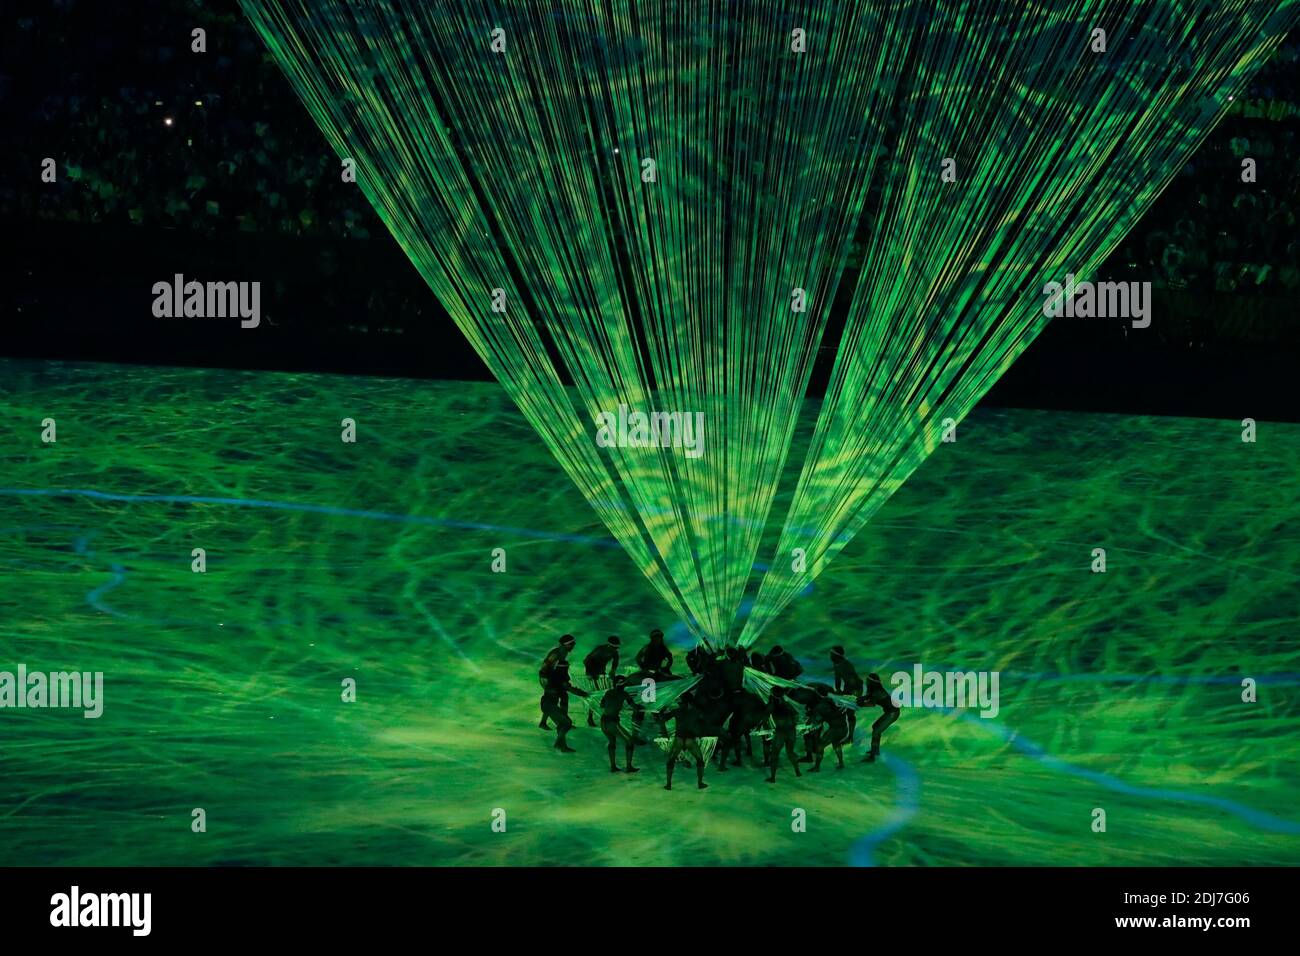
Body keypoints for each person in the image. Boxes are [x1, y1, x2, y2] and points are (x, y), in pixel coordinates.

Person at [540, 654, 589, 753]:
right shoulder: (560, 678)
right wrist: (583, 693)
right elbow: (569, 688)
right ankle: (559, 744)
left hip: (546, 704)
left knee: (562, 724)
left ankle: (562, 745)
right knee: (567, 723)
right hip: (550, 706)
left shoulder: (554, 675)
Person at [663, 690, 709, 791]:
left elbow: (663, 718)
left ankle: (668, 784)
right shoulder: (696, 712)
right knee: (700, 760)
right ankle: (700, 783)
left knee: (671, 761)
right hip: (690, 739)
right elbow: (703, 723)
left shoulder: (677, 711)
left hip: (679, 739)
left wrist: (663, 709)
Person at [856, 672, 900, 762]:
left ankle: (872, 756)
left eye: (867, 681)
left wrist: (861, 704)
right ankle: (874, 750)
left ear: (871, 682)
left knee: (876, 731)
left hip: (892, 713)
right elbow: (868, 697)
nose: (866, 682)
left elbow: (871, 704)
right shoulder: (875, 689)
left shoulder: (877, 691)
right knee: (875, 727)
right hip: (891, 712)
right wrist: (861, 699)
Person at [599, 675, 639, 773]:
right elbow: (634, 706)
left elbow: (602, 705)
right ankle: (629, 767)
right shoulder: (624, 694)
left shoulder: (608, 692)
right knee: (630, 741)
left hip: (603, 722)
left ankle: (613, 766)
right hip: (612, 722)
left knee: (612, 742)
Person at [807, 685, 851, 771]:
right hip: (844, 729)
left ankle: (816, 767)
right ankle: (841, 763)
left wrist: (811, 716)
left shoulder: (821, 706)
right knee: (836, 742)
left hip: (834, 730)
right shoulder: (839, 701)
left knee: (820, 745)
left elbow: (816, 720)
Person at [765, 687, 803, 783]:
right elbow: (796, 715)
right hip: (791, 732)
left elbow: (765, 715)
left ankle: (773, 778)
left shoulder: (773, 705)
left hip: (781, 732)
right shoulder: (788, 704)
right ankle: (797, 772)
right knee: (790, 752)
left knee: (774, 754)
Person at [538, 634, 577, 729]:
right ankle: (558, 722)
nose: (573, 645)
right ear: (565, 644)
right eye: (571, 644)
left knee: (562, 698)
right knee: (552, 700)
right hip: (548, 679)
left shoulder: (563, 652)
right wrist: (547, 682)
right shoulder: (557, 653)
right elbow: (545, 667)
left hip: (553, 679)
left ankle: (562, 720)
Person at [582, 635, 621, 726]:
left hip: (601, 672)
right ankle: (590, 718)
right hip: (592, 672)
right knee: (594, 694)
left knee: (606, 693)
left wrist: (613, 670)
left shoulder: (614, 652)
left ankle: (605, 714)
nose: (615, 649)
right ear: (609, 645)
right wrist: (590, 674)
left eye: (617, 647)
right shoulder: (600, 650)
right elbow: (586, 661)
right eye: (614, 647)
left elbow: (616, 661)